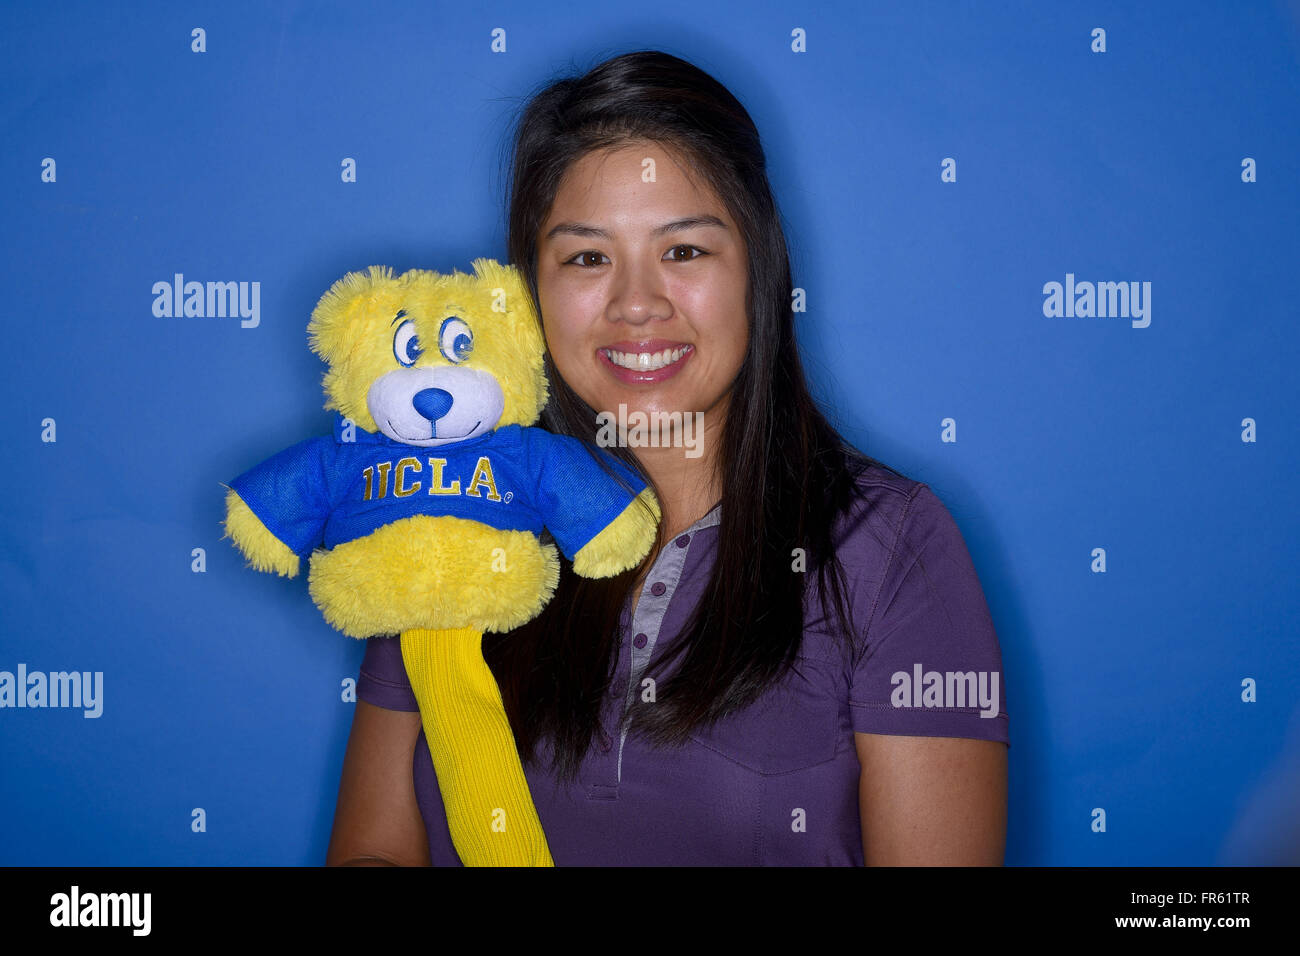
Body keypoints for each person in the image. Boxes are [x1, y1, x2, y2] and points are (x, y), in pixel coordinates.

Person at [326, 49, 1008, 866]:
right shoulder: (446, 520)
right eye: (586, 257)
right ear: (527, 291)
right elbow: (372, 850)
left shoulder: (892, 546)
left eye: (684, 251)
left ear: (758, 268)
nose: (636, 304)